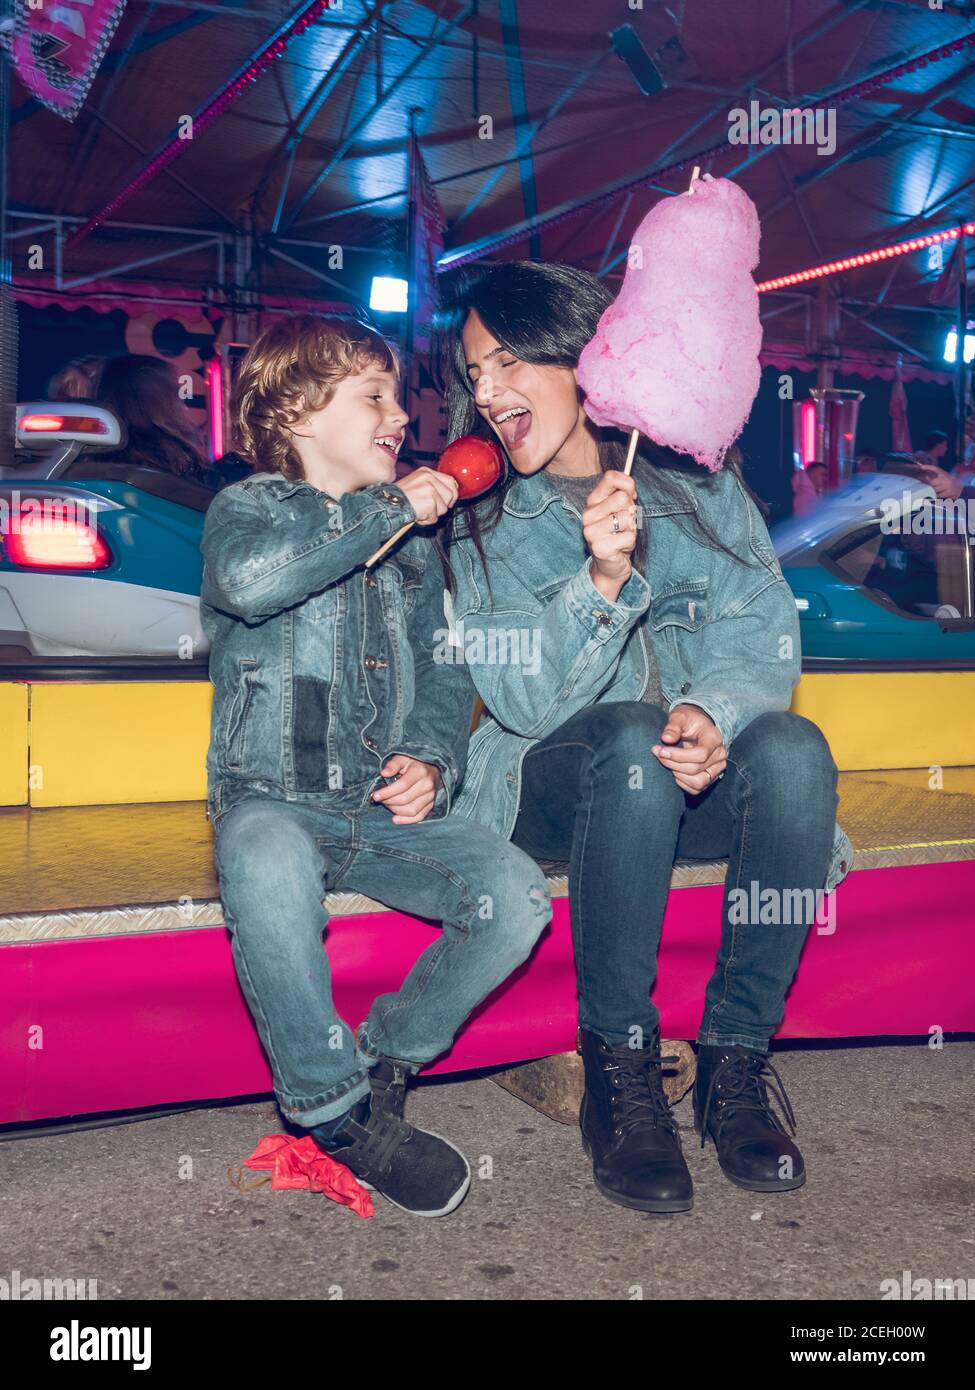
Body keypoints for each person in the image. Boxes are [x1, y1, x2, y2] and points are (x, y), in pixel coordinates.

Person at [439, 261, 853, 1215]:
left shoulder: (703, 491)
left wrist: (714, 716)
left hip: (686, 789)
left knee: (790, 748)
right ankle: (620, 1071)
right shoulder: (484, 513)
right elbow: (519, 697)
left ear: (590, 360)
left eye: (506, 362)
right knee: (628, 742)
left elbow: (760, 632)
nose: (486, 390)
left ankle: (734, 1062)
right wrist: (595, 579)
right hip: (557, 791)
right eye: (473, 373)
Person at [200, 314, 552, 1218]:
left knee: (511, 895)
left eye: (399, 394)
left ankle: (386, 1055)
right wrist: (392, 507)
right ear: (297, 412)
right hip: (272, 800)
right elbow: (253, 584)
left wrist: (432, 755)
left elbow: (446, 666)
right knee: (264, 858)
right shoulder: (249, 511)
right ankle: (333, 1109)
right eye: (374, 396)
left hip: (377, 812)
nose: (403, 414)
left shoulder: (415, 555)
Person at [97, 354, 210, 484]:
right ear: (158, 402)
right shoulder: (171, 456)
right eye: (174, 394)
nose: (183, 407)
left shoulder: (93, 454)